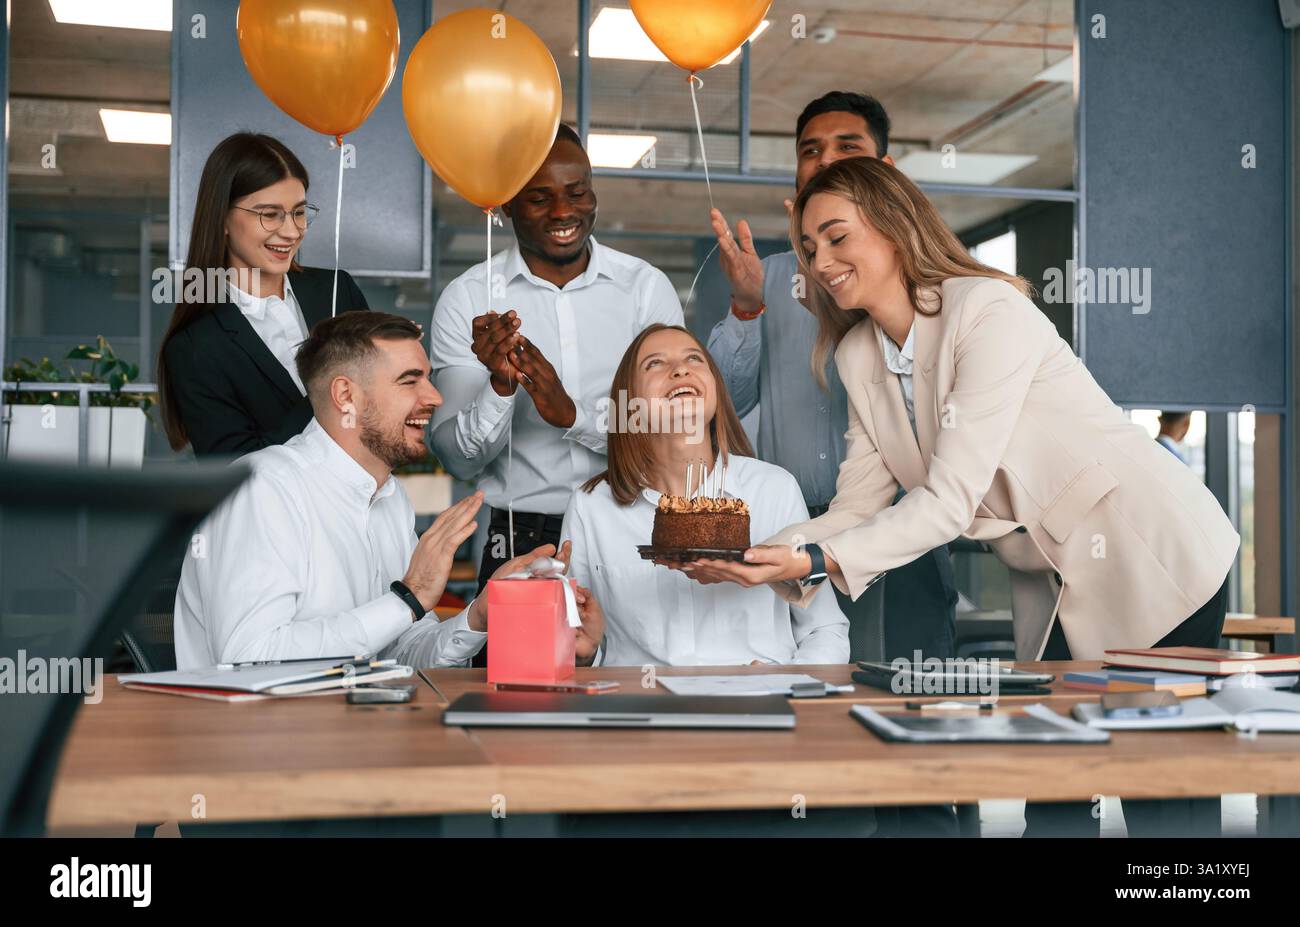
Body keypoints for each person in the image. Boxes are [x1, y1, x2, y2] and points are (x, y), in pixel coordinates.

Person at [681, 156, 1240, 836]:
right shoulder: (857, 354)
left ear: (893, 225)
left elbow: (947, 501)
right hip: (1060, 579)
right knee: (1057, 785)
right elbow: (858, 506)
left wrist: (813, 562)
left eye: (836, 236)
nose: (820, 260)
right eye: (808, 247)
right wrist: (761, 551)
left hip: (1153, 553)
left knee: (1164, 791)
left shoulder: (988, 311)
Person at [174, 311, 602, 670]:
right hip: (260, 757)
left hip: (355, 741)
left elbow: (404, 652)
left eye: (429, 378)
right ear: (346, 395)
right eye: (409, 380)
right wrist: (408, 598)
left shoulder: (390, 498)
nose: (434, 397)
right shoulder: (263, 487)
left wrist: (480, 614)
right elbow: (249, 658)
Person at [707, 91, 956, 664]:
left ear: (885, 171)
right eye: (810, 150)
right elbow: (725, 401)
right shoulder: (762, 276)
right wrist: (746, 306)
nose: (826, 160)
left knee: (908, 685)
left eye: (848, 147)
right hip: (794, 529)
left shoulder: (924, 283)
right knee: (803, 690)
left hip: (902, 522)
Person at [429, 124, 683, 594]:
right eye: (539, 198)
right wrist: (499, 389)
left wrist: (573, 416)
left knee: (637, 668)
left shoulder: (644, 289)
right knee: (514, 670)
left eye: (577, 191)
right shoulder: (469, 299)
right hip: (521, 540)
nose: (564, 211)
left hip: (633, 525)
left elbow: (672, 433)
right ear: (507, 204)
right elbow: (459, 461)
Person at [560, 324, 848, 666]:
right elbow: (575, 643)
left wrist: (787, 683)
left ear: (715, 388)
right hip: (640, 707)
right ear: (629, 403)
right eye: (655, 363)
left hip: (757, 707)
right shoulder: (590, 506)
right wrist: (586, 654)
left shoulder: (775, 489)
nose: (680, 369)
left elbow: (824, 629)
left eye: (694, 359)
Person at [159, 132, 371, 457]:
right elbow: (239, 469)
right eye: (269, 214)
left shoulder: (338, 292)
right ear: (223, 219)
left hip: (368, 500)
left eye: (299, 212)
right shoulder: (196, 348)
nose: (291, 231)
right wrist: (327, 385)